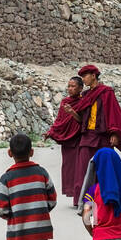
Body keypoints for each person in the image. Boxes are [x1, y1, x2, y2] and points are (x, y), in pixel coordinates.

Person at [71, 65, 121, 202]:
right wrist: (72, 113)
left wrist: (114, 134)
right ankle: (85, 199)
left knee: (106, 169)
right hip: (87, 136)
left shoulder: (106, 92)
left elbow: (113, 114)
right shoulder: (85, 95)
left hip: (103, 137)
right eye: (82, 77)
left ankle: (112, 195)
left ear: (93, 75)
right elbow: (81, 119)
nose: (84, 79)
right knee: (84, 169)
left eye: (85, 76)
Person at [43, 75, 86, 206]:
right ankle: (74, 195)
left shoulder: (84, 101)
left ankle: (80, 197)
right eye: (69, 86)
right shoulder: (65, 102)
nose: (70, 89)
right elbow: (60, 121)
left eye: (73, 86)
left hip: (79, 139)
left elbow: (83, 121)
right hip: (67, 141)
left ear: (80, 88)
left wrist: (73, 112)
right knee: (69, 168)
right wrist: (50, 132)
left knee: (80, 169)